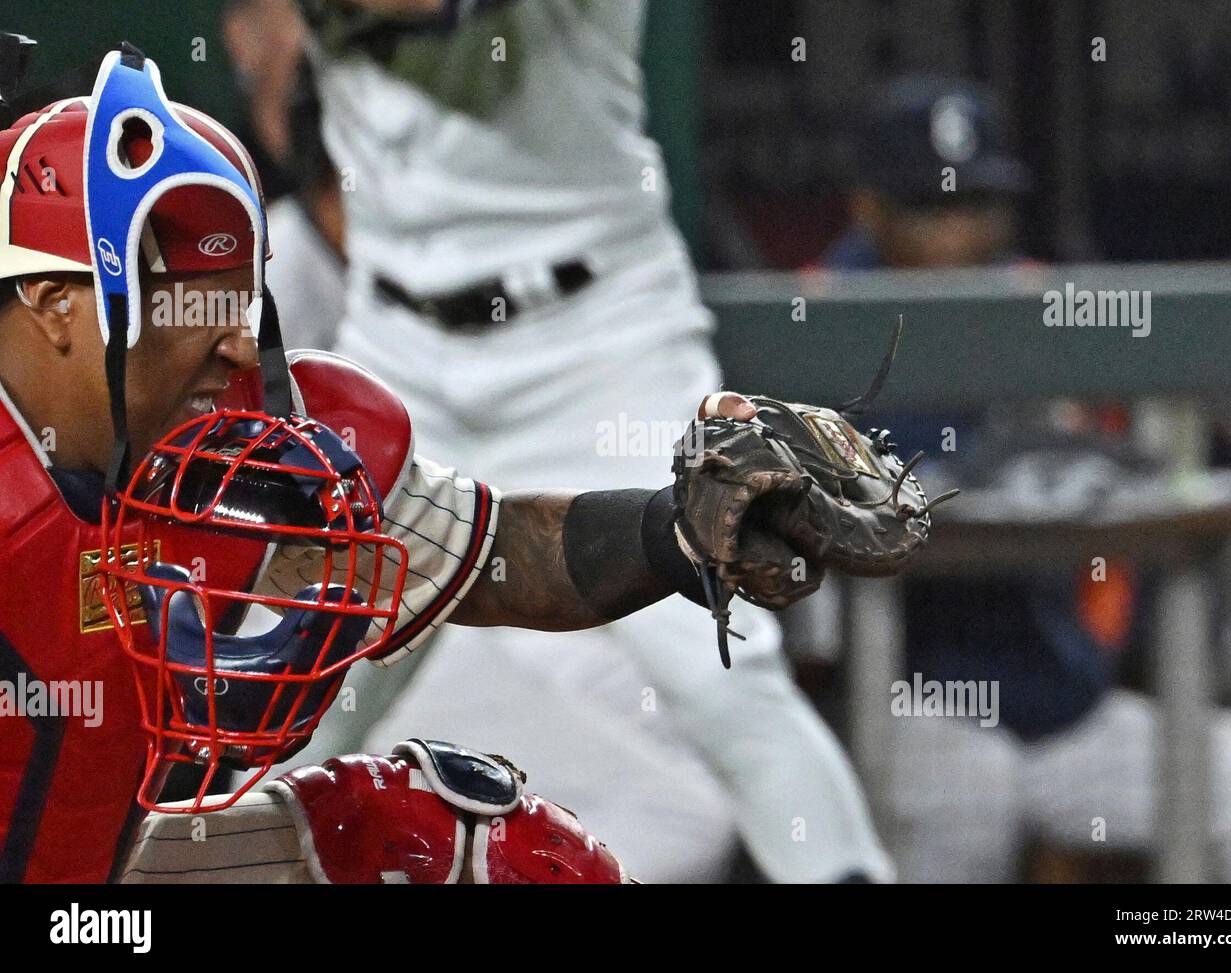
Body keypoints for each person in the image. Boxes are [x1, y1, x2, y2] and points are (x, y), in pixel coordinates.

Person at [0, 45, 849, 884]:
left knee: (445, 838)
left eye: (237, 299)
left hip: (108, 880)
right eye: (189, 300)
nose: (231, 340)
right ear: (53, 304)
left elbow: (503, 559)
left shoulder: (233, 447)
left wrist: (682, 530)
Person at [252, 0, 896, 882]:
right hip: (400, 344)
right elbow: (259, 36)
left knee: (725, 681)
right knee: (307, 695)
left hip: (598, 341)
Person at [814, 74, 1231, 882]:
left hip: (1051, 704)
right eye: (934, 211)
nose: (963, 234)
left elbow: (1127, 492)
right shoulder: (810, 322)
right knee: (970, 797)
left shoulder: (1039, 310)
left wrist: (1096, 641)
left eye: (979, 205)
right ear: (869, 209)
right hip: (892, 699)